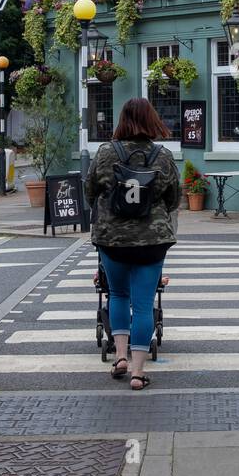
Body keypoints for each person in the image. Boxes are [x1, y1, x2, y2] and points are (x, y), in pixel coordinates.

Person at [83, 97, 180, 390]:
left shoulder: (104, 153)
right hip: (152, 242)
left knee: (117, 295)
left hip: (112, 240)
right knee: (142, 304)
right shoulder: (163, 156)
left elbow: (89, 192)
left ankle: (120, 358)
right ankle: (138, 373)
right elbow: (174, 198)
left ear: (122, 120)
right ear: (152, 120)